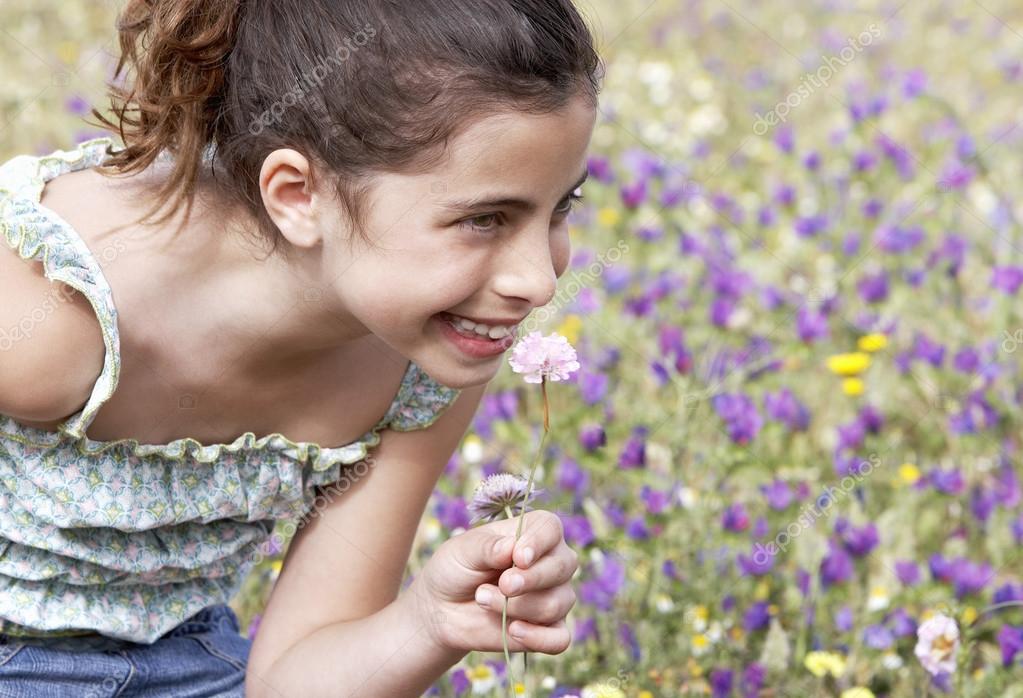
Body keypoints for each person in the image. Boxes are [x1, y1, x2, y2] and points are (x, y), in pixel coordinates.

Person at [0, 0, 603, 695]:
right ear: (297, 195)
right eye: (482, 219)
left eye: (560, 207)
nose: (536, 280)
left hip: (190, 663)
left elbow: (290, 680)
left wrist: (427, 622)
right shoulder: (56, 316)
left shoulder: (419, 370)